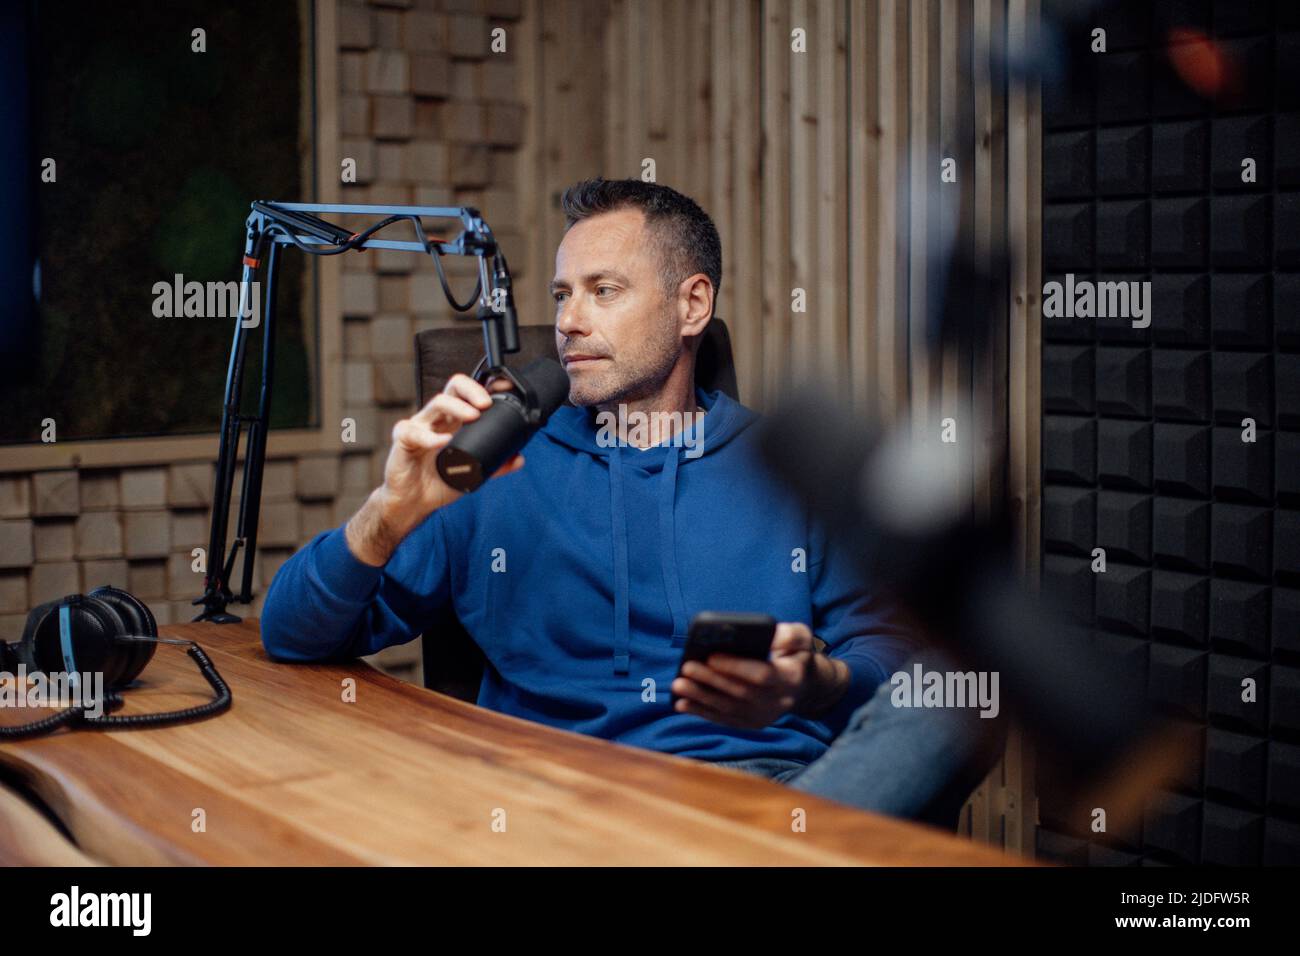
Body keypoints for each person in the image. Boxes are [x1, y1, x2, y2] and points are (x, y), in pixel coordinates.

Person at [261, 177, 999, 828]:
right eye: (561, 294)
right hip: (561, 808)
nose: (569, 322)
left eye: (603, 290)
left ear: (692, 305)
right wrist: (388, 512)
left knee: (968, 695)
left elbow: (890, 654)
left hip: (773, 800)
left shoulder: (784, 468)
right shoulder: (489, 464)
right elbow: (292, 633)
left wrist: (815, 683)